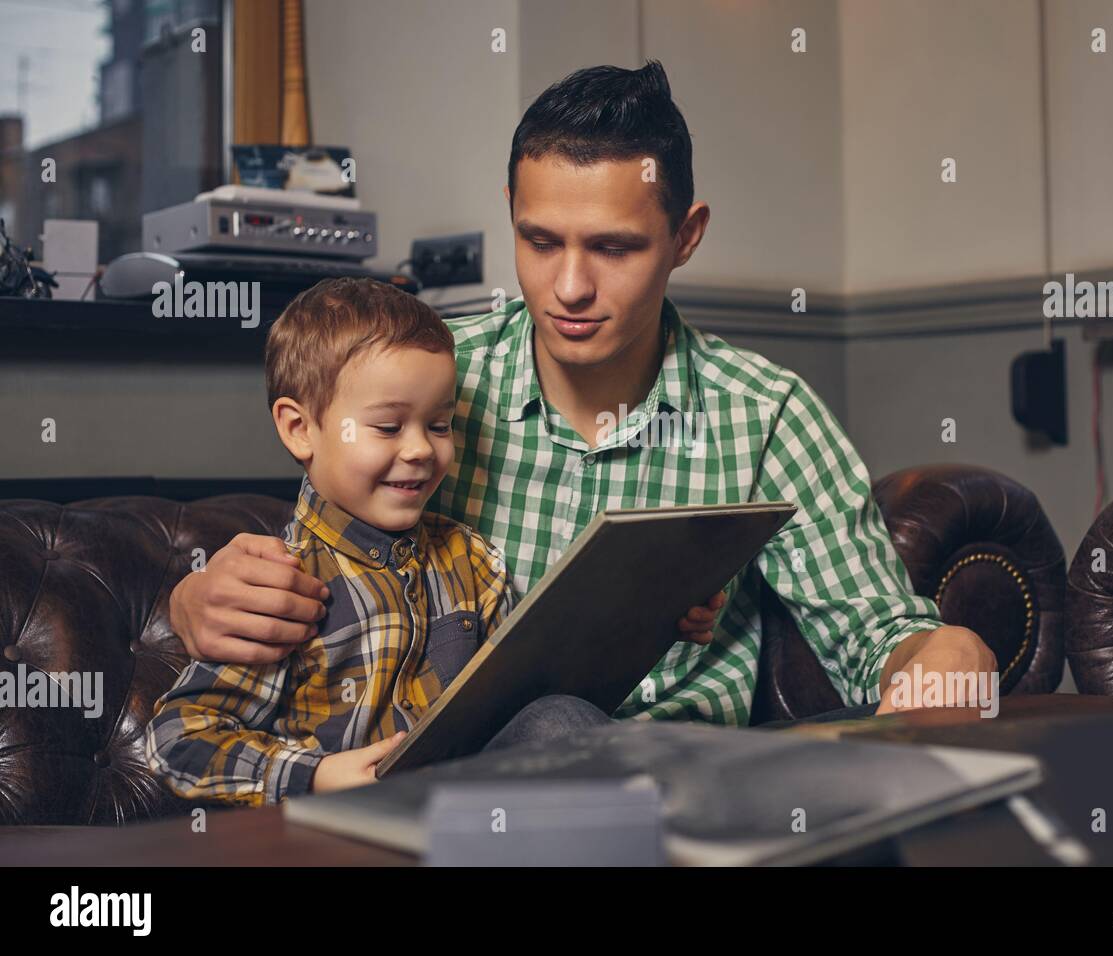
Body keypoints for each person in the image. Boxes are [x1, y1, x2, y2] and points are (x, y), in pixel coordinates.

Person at [165, 60, 995, 749]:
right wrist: (194, 598)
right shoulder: (426, 384)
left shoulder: (765, 413)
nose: (568, 288)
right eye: (539, 241)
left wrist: (940, 650)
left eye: (613, 247)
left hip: (675, 786)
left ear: (686, 236)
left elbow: (876, 633)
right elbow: (325, 566)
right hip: (460, 787)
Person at [146, 278, 713, 805]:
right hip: (346, 824)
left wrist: (648, 621)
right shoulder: (280, 585)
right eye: (389, 427)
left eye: (439, 425)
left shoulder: (470, 560)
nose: (420, 449)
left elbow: (523, 694)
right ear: (300, 429)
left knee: (560, 717)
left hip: (466, 806)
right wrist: (314, 775)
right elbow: (177, 739)